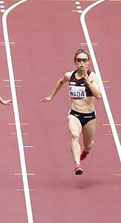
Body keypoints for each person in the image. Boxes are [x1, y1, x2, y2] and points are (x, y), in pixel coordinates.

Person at [43, 47, 103, 175]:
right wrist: (51, 96)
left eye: (84, 60)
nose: (81, 63)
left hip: (89, 116)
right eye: (79, 60)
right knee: (74, 135)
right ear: (75, 61)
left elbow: (98, 96)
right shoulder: (69, 75)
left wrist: (88, 82)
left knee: (88, 144)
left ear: (88, 62)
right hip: (74, 113)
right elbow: (60, 82)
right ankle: (77, 165)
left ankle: (85, 151)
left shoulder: (93, 77)